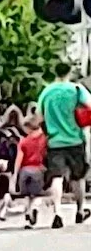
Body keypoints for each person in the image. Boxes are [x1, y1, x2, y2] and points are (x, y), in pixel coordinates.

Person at [36, 62, 91, 228]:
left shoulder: (46, 92)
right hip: (75, 139)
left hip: (54, 141)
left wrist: (49, 133)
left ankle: (57, 212)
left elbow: (39, 117)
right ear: (70, 72)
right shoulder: (76, 90)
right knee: (78, 177)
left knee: (57, 177)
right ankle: (80, 210)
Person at [15, 115, 52, 229]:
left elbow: (19, 159)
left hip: (25, 171)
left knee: (28, 195)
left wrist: (15, 175)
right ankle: (33, 209)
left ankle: (28, 213)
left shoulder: (24, 141)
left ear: (28, 127)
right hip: (38, 169)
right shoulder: (44, 139)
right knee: (37, 194)